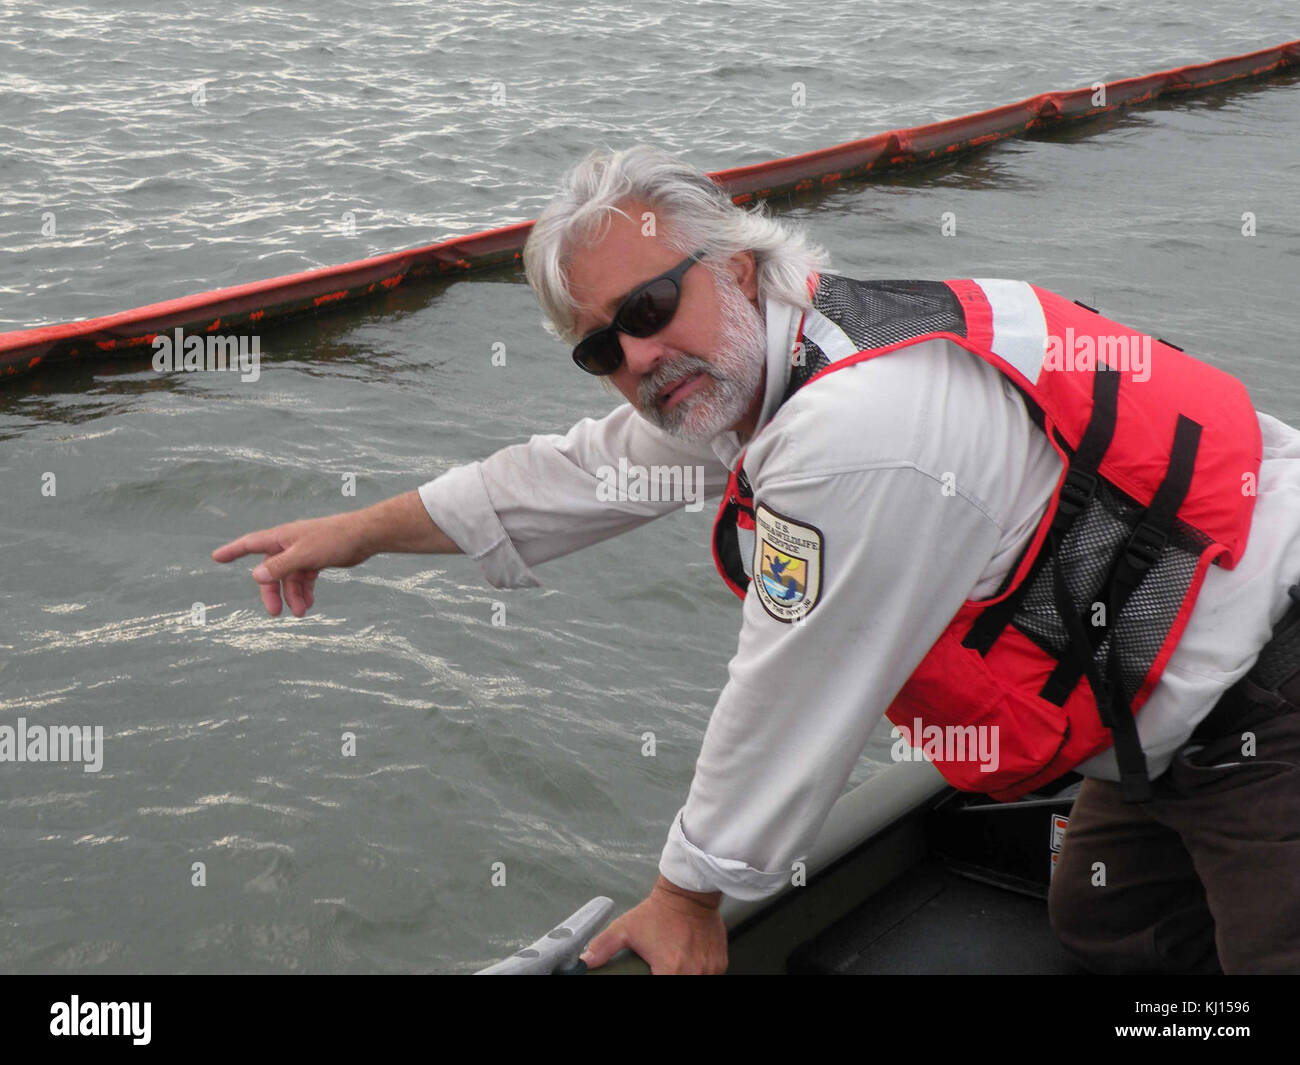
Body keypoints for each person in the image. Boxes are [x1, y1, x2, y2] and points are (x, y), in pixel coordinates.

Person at [214, 145, 1300, 975]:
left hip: (1267, 688)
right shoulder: (766, 358)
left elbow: (793, 691)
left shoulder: (856, 430)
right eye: (603, 348)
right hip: (1156, 717)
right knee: (1107, 920)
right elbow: (569, 475)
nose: (638, 357)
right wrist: (353, 535)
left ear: (735, 265)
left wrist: (687, 895)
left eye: (647, 308)